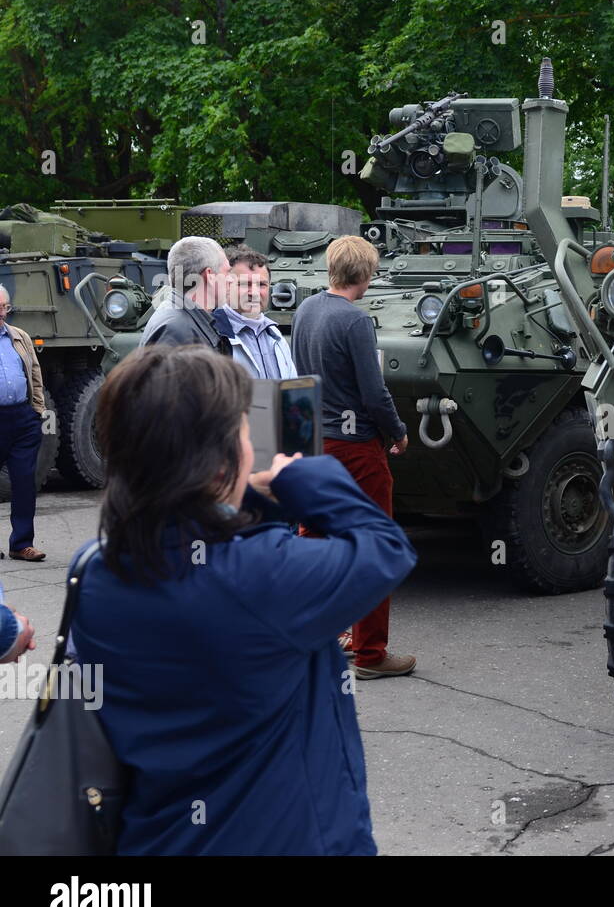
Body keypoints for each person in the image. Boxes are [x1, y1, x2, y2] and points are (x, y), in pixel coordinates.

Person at [70, 345, 416, 855]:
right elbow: (385, 549)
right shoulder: (261, 580)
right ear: (215, 460)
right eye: (242, 432)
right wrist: (301, 475)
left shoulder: (97, 571)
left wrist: (242, 498)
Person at [290, 235, 414, 680]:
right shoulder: (355, 322)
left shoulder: (304, 311)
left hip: (312, 441)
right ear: (362, 274)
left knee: (316, 540)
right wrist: (397, 433)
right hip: (355, 447)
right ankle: (370, 654)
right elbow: (374, 393)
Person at [0, 286, 48, 562]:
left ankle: (21, 544)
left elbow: (34, 373)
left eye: (5, 307)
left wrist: (38, 410)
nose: (2, 313)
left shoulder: (19, 337)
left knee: (24, 484)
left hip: (22, 419)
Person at [214, 245, 297, 379]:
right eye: (245, 284)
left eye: (262, 285)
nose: (255, 293)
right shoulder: (214, 336)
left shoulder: (275, 335)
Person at [140, 236, 232, 354]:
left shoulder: (180, 322)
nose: (231, 280)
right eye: (227, 272)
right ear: (210, 275)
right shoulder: (177, 331)